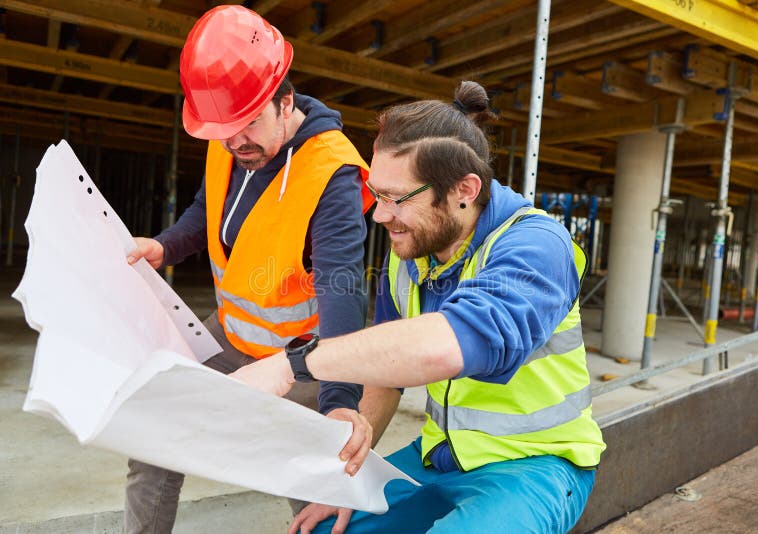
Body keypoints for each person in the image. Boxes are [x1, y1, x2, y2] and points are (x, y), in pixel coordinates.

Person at [231, 80, 607, 533]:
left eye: (395, 198)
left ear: (464, 189)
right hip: (438, 457)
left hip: (534, 466)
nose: (379, 214)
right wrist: (346, 472)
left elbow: (446, 345)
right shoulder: (409, 255)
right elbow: (386, 377)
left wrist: (293, 363)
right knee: (330, 526)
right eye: (376, 193)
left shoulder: (536, 246)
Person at [122, 6, 374, 533]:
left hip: (303, 355)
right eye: (225, 132)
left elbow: (343, 290)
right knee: (153, 432)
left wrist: (339, 400)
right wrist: (164, 248)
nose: (237, 143)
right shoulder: (230, 141)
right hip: (231, 335)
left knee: (315, 485)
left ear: (286, 102)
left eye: (249, 125)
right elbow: (206, 211)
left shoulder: (330, 172)